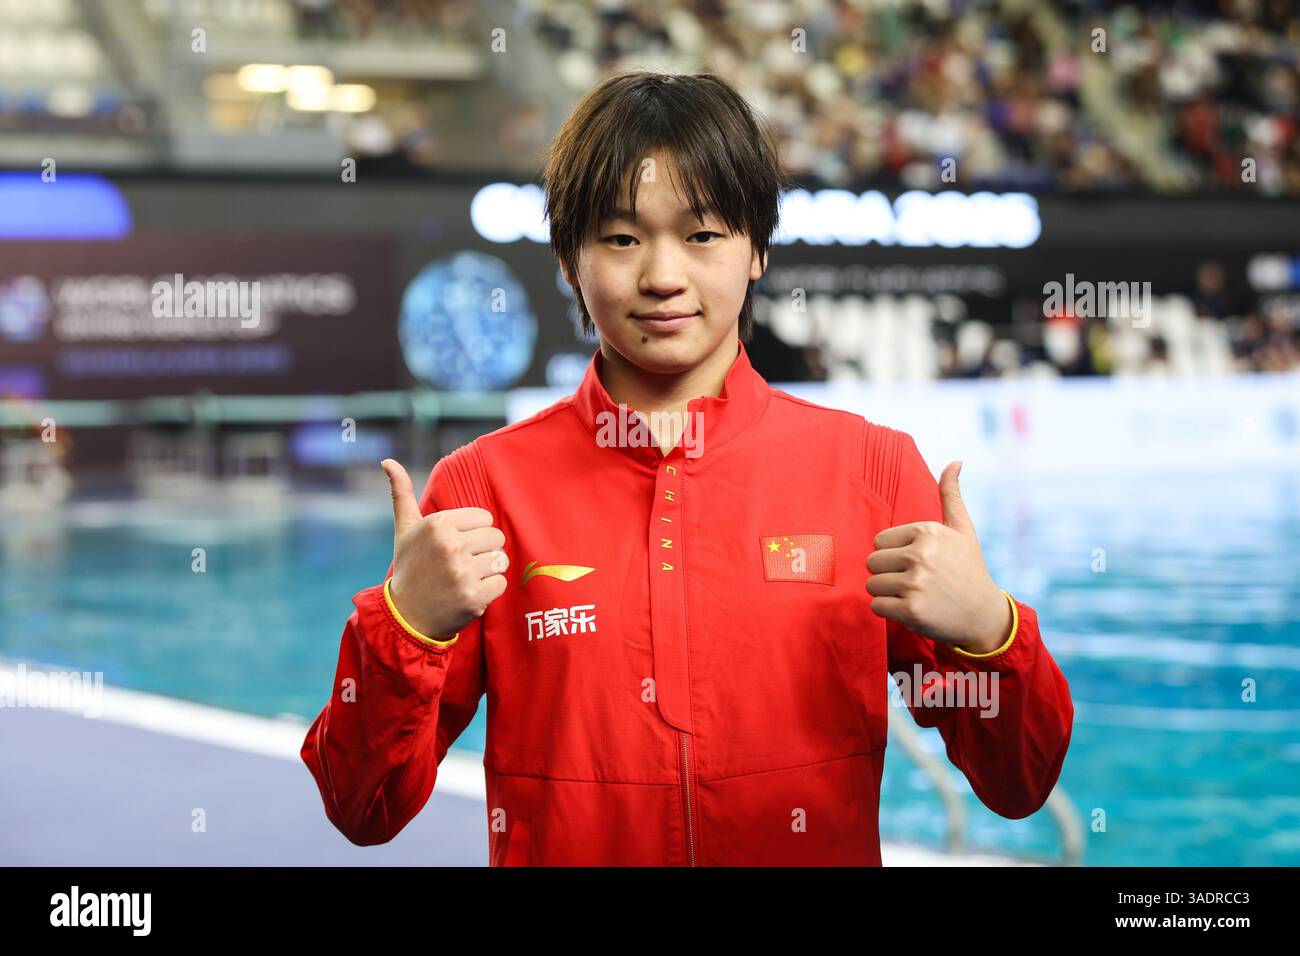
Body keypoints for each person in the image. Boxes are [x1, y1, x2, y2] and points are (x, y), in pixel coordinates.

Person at [300, 70, 1074, 866]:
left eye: (702, 235)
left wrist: (991, 632)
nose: (663, 276)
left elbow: (1018, 783)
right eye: (622, 238)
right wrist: (402, 625)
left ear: (757, 251)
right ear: (569, 260)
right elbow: (364, 808)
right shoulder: (482, 489)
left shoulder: (873, 473)